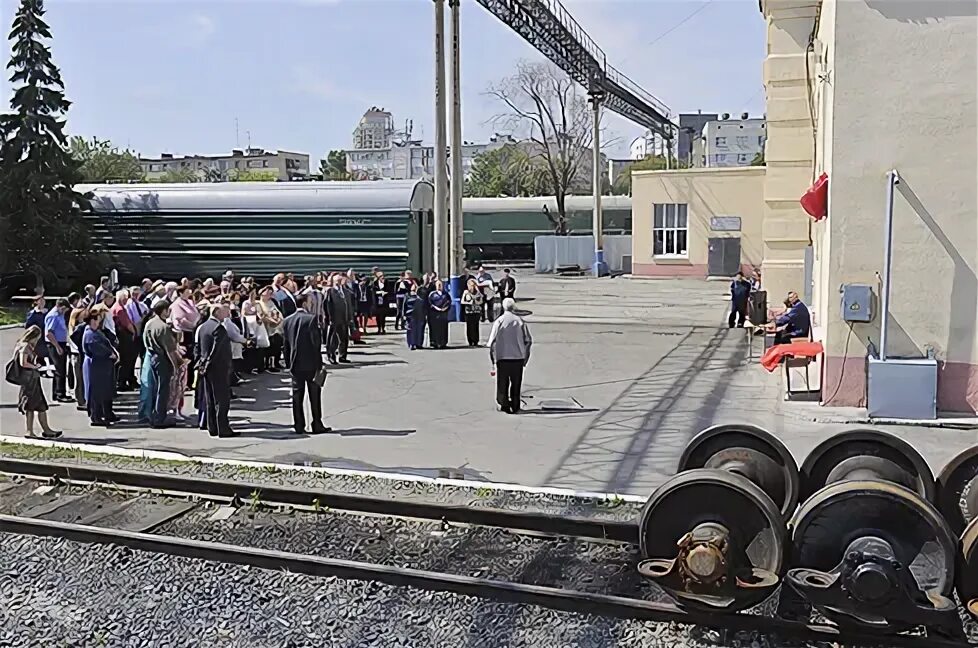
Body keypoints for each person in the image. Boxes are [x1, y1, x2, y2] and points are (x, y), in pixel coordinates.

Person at [283, 293, 331, 435]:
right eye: (310, 302)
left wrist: (288, 363)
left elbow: (286, 345)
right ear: (304, 304)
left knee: (297, 396)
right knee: (314, 395)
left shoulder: (287, 321)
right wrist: (319, 363)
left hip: (295, 363)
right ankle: (317, 423)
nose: (311, 304)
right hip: (310, 362)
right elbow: (315, 343)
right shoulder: (311, 320)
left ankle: (299, 425)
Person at [11, 326, 61, 438]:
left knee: (40, 405)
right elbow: (23, 363)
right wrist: (35, 366)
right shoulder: (24, 347)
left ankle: (46, 430)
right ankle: (29, 431)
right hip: (29, 381)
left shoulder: (24, 345)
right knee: (30, 406)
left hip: (33, 379)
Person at [142, 300, 185, 428]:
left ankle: (153, 414)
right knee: (163, 389)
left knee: (155, 388)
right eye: (168, 310)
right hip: (162, 359)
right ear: (163, 310)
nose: (169, 312)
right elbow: (170, 351)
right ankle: (160, 418)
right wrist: (176, 366)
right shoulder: (163, 327)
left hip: (152, 357)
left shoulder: (149, 323)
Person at [196, 303, 236, 438]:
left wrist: (202, 363)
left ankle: (212, 427)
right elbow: (216, 350)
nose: (227, 314)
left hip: (206, 368)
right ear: (217, 312)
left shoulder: (203, 327)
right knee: (222, 399)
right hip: (218, 367)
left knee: (210, 399)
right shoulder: (219, 329)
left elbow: (200, 348)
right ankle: (223, 428)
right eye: (225, 311)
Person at [487, 298, 532, 414]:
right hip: (518, 357)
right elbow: (528, 340)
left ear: (503, 307)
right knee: (516, 383)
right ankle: (515, 405)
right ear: (513, 307)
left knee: (503, 382)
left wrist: (492, 359)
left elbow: (491, 341)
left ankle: (504, 404)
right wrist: (526, 357)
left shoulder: (499, 321)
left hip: (503, 357)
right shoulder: (520, 321)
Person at [82, 311, 118, 426]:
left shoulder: (96, 332)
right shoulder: (89, 334)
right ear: (92, 321)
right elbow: (96, 348)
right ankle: (96, 417)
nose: (98, 322)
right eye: (97, 320)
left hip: (103, 365)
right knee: (95, 392)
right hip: (95, 365)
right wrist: (109, 354)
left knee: (104, 390)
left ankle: (106, 413)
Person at [43, 298, 71, 402]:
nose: (64, 312)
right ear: (60, 307)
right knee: (60, 370)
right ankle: (60, 394)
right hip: (55, 344)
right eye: (64, 309)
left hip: (61, 343)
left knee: (60, 369)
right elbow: (49, 333)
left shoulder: (60, 315)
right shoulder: (53, 316)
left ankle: (58, 392)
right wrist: (57, 347)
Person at [112, 289, 138, 391]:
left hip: (120, 336)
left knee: (123, 359)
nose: (127, 300)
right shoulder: (120, 309)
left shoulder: (115, 308)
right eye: (125, 298)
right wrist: (134, 332)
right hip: (124, 336)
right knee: (125, 359)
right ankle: (121, 382)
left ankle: (121, 381)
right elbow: (126, 323)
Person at [257, 286, 285, 372]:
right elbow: (261, 315)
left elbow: (278, 312)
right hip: (265, 328)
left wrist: (279, 320)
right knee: (268, 347)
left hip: (275, 328)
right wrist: (271, 320)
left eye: (270, 293)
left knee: (276, 346)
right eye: (267, 292)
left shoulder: (272, 303)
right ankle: (267, 364)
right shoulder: (258, 304)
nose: (269, 295)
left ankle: (275, 363)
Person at [325, 274, 351, 364]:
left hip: (344, 318)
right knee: (332, 339)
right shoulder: (330, 291)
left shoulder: (346, 291)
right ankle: (331, 356)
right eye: (337, 281)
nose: (339, 282)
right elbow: (327, 305)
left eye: (340, 280)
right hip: (334, 318)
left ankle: (342, 356)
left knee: (344, 338)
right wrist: (329, 317)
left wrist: (350, 317)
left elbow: (349, 305)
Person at [67, 304, 89, 409]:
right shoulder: (78, 327)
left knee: (81, 378)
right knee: (80, 379)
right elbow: (74, 340)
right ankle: (81, 401)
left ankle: (82, 399)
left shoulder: (78, 326)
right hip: (77, 355)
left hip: (77, 355)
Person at [427, 279, 451, 349]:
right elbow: (430, 303)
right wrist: (436, 308)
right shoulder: (432, 294)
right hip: (435, 314)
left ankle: (443, 342)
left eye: (440, 284)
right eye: (438, 284)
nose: (439, 286)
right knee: (435, 329)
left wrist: (445, 308)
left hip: (443, 314)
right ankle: (434, 342)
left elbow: (449, 302)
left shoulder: (446, 294)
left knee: (443, 328)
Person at [460, 279, 484, 347]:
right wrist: (469, 302)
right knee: (469, 326)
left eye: (473, 285)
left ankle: (476, 340)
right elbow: (462, 301)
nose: (471, 287)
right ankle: (470, 341)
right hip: (468, 312)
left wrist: (477, 302)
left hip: (476, 311)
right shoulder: (466, 292)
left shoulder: (478, 292)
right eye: (470, 285)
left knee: (476, 326)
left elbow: (481, 301)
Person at [402, 284, 426, 350]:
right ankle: (411, 344)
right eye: (413, 286)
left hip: (419, 315)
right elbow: (404, 306)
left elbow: (424, 306)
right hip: (410, 315)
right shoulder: (407, 295)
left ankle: (418, 344)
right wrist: (404, 315)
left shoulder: (420, 295)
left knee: (419, 330)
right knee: (410, 330)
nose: (414, 287)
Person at [25, 295, 48, 361]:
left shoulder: (47, 311)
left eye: (43, 300)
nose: (43, 302)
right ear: (36, 302)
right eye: (40, 300)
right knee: (40, 354)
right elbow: (28, 325)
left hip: (47, 335)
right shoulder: (33, 313)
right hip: (38, 336)